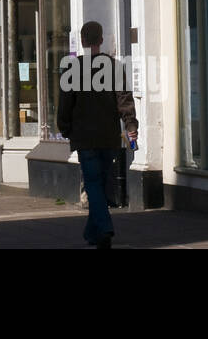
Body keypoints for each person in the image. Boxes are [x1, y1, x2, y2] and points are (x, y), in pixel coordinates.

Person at [56, 20, 138, 249]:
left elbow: (65, 104)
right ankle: (93, 233)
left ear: (82, 41)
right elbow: (124, 100)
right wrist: (131, 127)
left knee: (92, 183)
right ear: (101, 40)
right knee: (99, 184)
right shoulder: (115, 67)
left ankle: (103, 228)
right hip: (109, 137)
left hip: (85, 138)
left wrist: (64, 127)